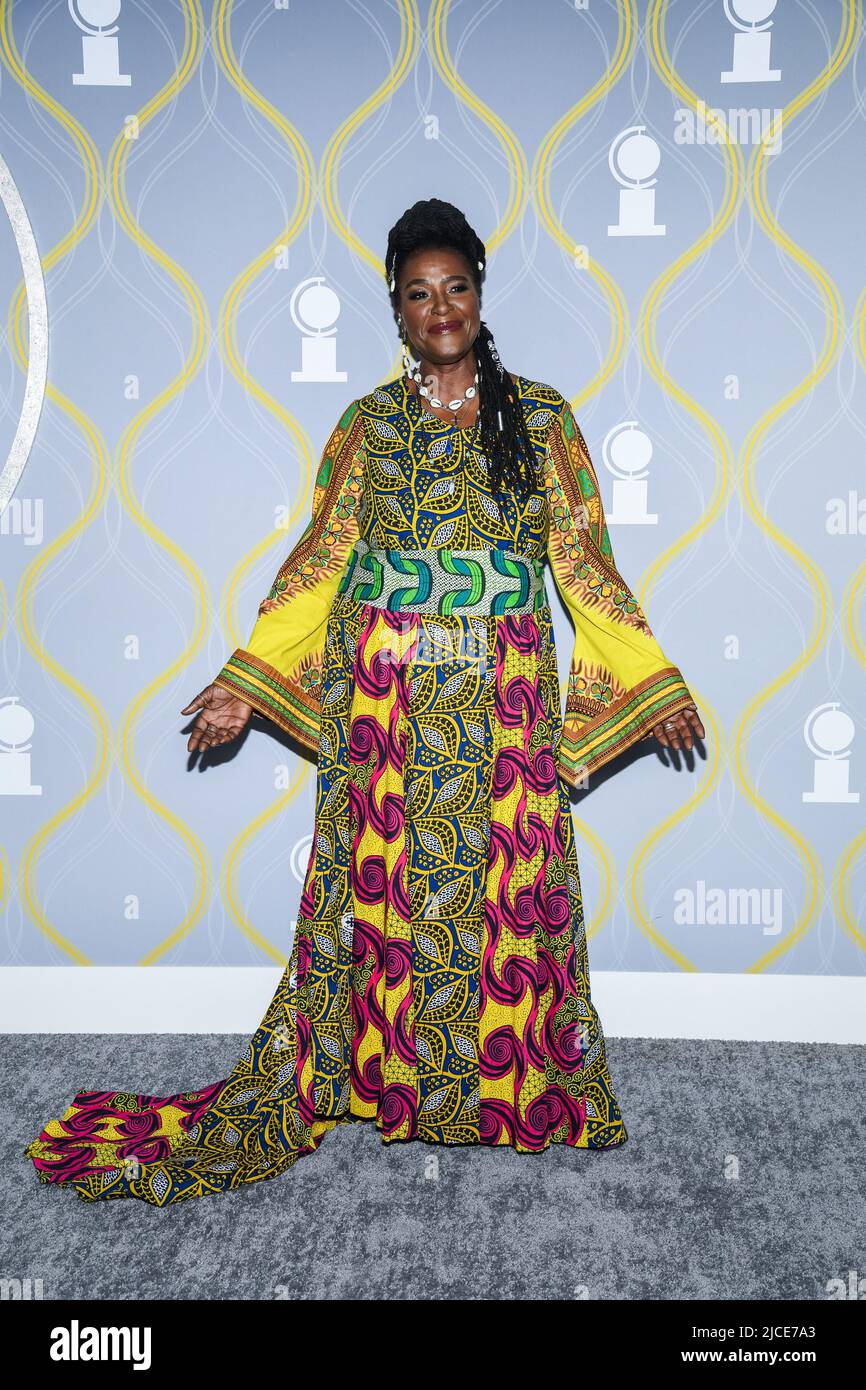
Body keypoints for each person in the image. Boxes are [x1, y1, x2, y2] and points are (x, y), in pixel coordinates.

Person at [24, 198, 704, 1206]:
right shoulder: (366, 428)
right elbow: (320, 563)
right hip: (383, 706)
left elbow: (582, 564)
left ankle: (509, 1093)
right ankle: (393, 1087)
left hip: (503, 698)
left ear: (480, 292)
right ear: (395, 309)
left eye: (456, 287)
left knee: (501, 897)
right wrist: (245, 683)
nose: (440, 308)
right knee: (389, 901)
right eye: (418, 293)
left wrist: (650, 683)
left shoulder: (547, 420)